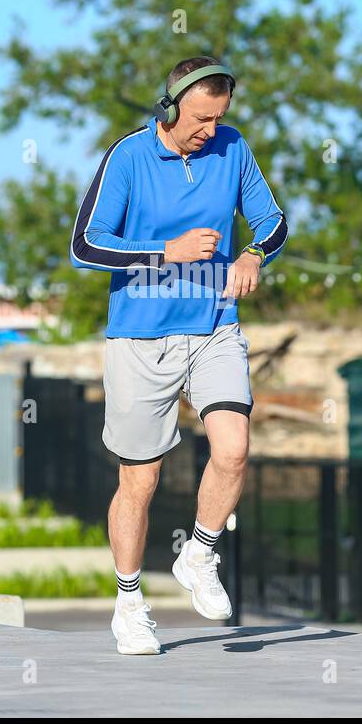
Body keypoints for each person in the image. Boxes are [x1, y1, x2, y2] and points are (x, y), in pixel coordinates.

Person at [70, 55, 288, 654]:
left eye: (218, 118)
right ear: (168, 109)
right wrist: (166, 251)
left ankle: (200, 553)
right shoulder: (128, 157)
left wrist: (251, 257)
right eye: (199, 119)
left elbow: (272, 220)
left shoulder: (232, 148)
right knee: (139, 482)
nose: (209, 131)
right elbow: (85, 245)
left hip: (214, 324)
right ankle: (129, 604)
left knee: (234, 447)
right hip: (141, 337)